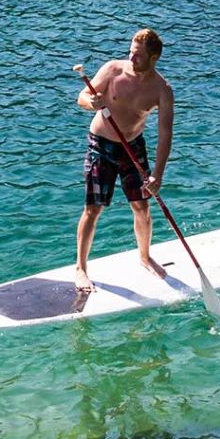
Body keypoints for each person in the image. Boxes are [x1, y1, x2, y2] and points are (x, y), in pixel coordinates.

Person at [73, 29, 175, 294]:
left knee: (142, 207)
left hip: (133, 146)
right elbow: (82, 97)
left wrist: (158, 176)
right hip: (101, 143)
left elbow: (165, 134)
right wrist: (91, 102)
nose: (132, 58)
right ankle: (81, 268)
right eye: (131, 51)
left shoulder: (161, 90)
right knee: (93, 208)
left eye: (139, 55)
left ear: (154, 58)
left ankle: (144, 256)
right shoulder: (112, 70)